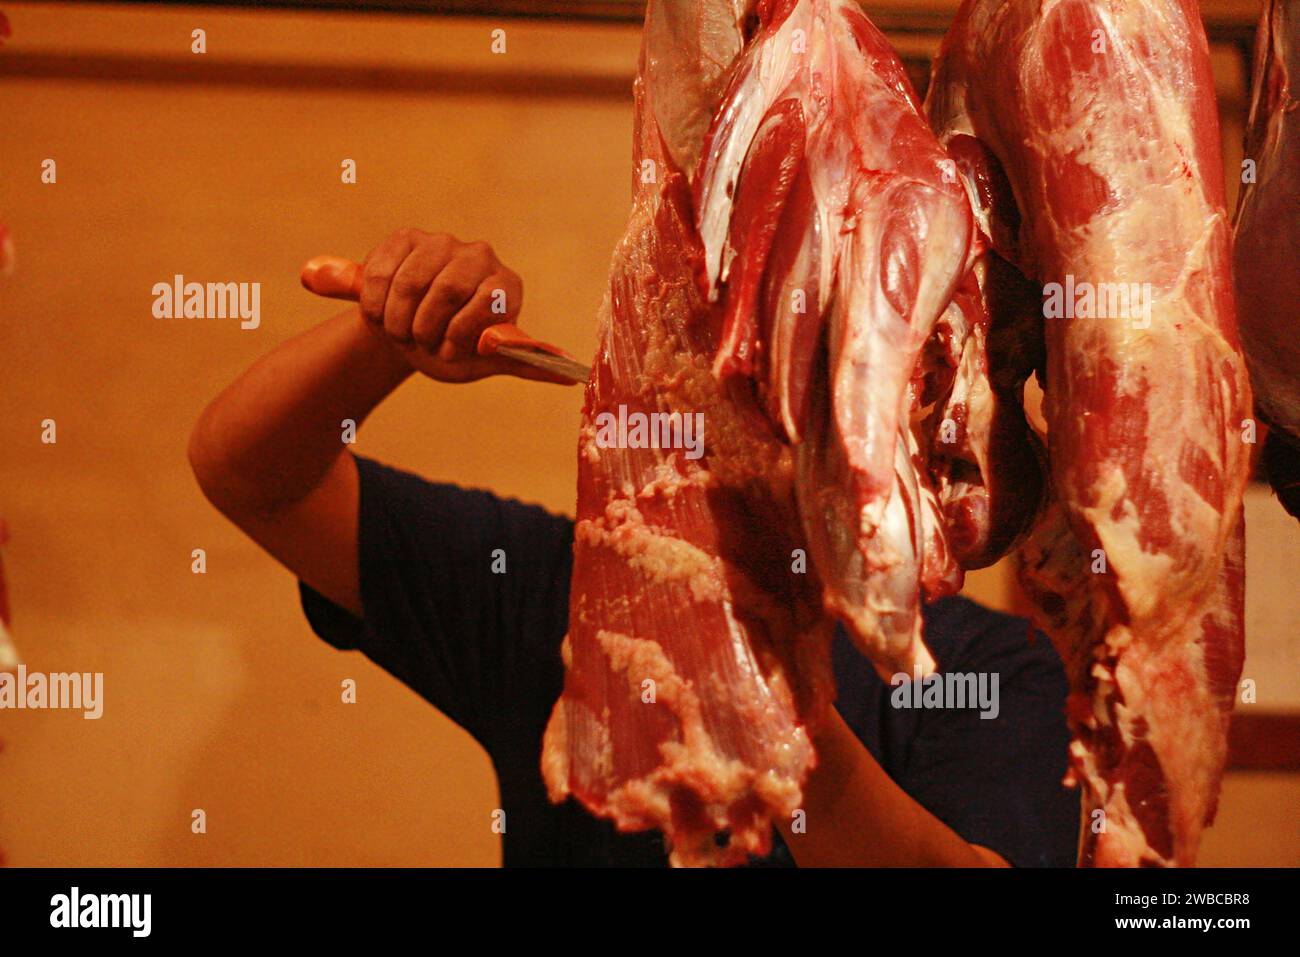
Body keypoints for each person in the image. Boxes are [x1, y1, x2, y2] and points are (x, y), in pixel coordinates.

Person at [189, 227, 1079, 868]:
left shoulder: (983, 665)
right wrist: (384, 341)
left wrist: (759, 688)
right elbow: (252, 475)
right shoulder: (566, 587)